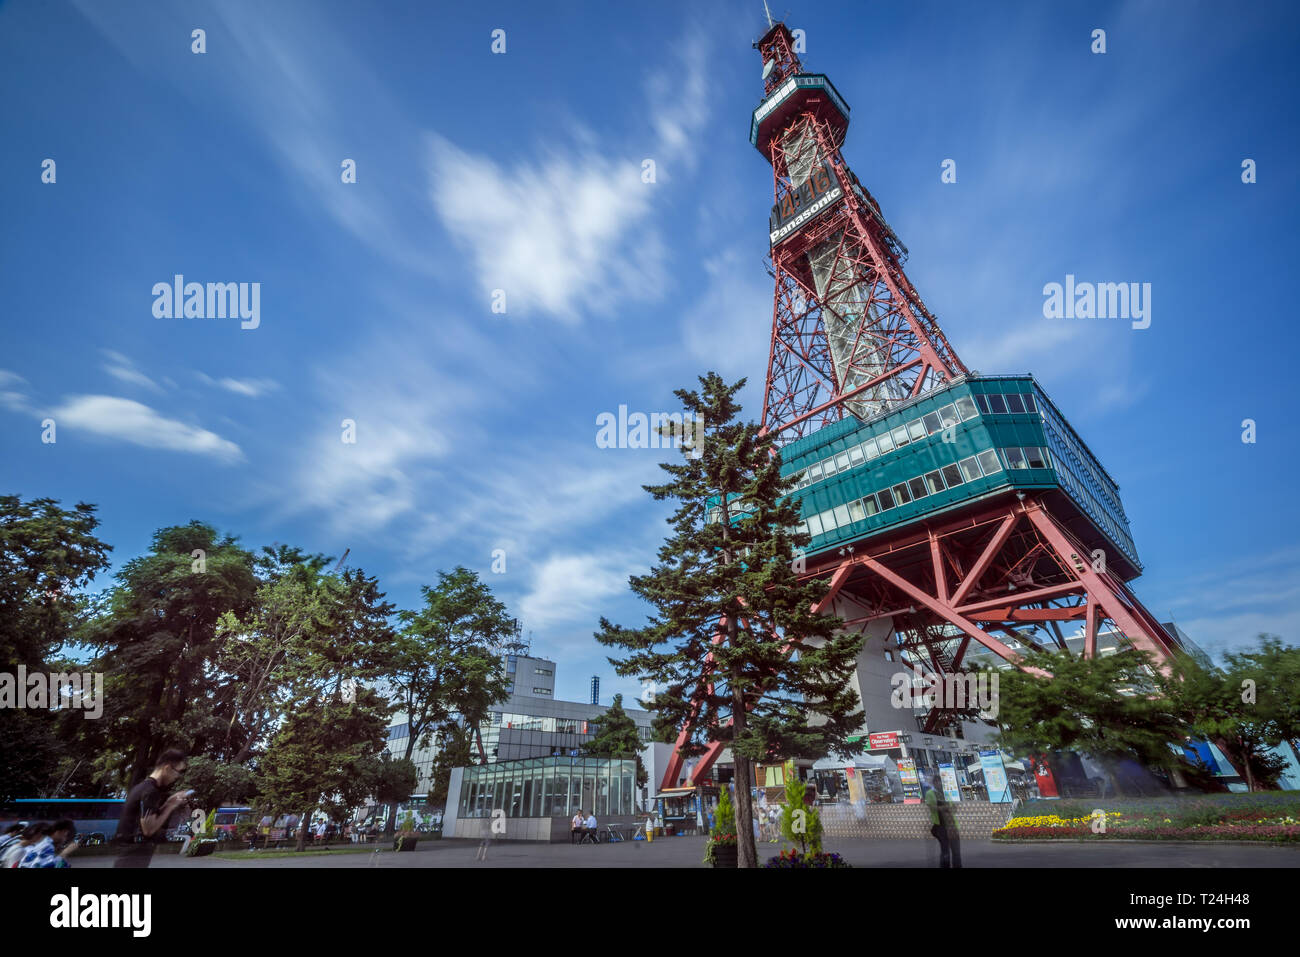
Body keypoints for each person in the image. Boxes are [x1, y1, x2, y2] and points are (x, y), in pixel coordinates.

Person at [114, 748, 191, 869]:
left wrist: (168, 803)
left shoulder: (143, 787)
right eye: (178, 771)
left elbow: (148, 817)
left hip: (131, 852)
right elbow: (148, 829)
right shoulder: (151, 791)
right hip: (134, 854)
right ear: (167, 768)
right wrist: (170, 806)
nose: (178, 776)